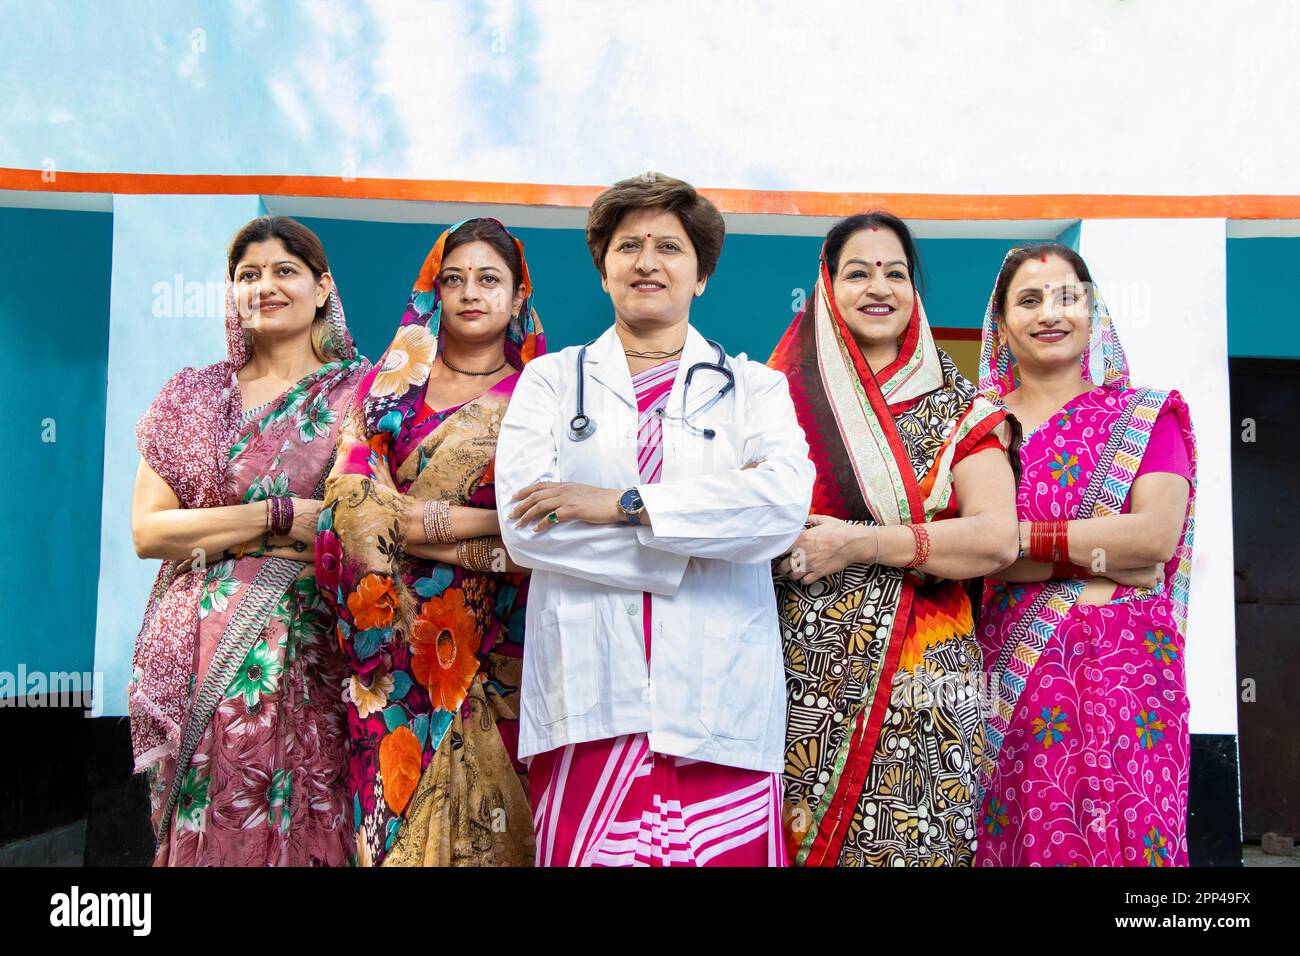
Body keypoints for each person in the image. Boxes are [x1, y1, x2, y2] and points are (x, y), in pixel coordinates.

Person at [495, 173, 815, 866]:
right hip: (591, 704)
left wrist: (624, 505)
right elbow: (526, 529)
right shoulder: (550, 381)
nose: (647, 262)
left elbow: (781, 508)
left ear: (700, 276)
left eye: (669, 247)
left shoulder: (755, 388)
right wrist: (700, 542)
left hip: (717, 708)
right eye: (628, 246)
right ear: (603, 270)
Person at [769, 211, 1019, 867]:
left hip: (922, 688)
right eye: (857, 272)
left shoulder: (963, 408)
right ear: (827, 287)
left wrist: (858, 544)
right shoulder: (775, 398)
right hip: (794, 681)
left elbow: (996, 539)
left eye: (895, 273)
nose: (878, 288)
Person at [129, 216, 369, 865]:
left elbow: (360, 525)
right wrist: (276, 518)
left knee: (311, 816)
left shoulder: (364, 396)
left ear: (323, 287)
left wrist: (216, 528)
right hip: (207, 657)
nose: (265, 286)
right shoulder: (193, 396)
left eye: (284, 271)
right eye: (247, 275)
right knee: (217, 822)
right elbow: (150, 531)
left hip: (322, 656)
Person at [317, 218, 544, 866]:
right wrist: (487, 526)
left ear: (519, 295)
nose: (472, 292)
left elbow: (549, 528)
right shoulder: (387, 389)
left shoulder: (543, 398)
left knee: (497, 831)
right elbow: (351, 509)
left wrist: (419, 527)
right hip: (392, 660)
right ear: (433, 292)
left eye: (490, 279)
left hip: (504, 646)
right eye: (456, 279)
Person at [975, 244, 1196, 867]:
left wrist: (1023, 541)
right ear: (1002, 322)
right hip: (1015, 673)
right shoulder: (976, 428)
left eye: (1068, 297)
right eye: (1029, 299)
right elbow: (978, 551)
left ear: (1093, 313)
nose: (1051, 313)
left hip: (1132, 680)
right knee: (1024, 832)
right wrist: (1102, 549)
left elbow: (1153, 539)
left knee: (1134, 838)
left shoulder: (1147, 416)